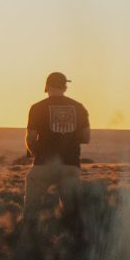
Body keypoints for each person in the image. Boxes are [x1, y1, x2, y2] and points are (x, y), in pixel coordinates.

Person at [23, 71, 91, 223]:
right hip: (70, 164)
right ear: (65, 87)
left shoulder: (37, 108)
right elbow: (86, 137)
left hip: (44, 163)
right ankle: (71, 241)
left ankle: (28, 236)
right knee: (72, 212)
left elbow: (30, 138)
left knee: (31, 207)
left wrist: (36, 153)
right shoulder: (79, 107)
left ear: (46, 87)